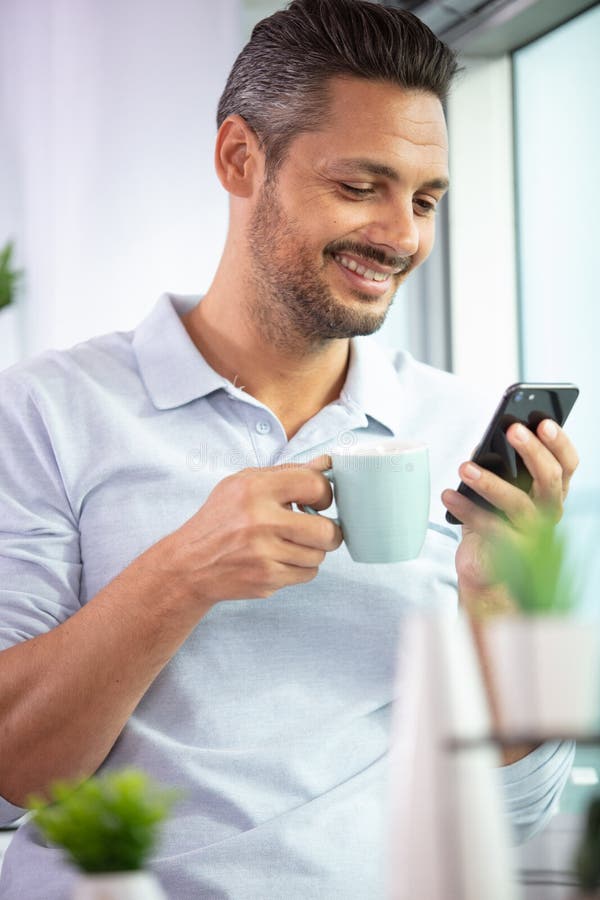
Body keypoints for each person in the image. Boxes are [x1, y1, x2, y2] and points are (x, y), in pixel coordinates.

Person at [0, 1, 578, 897]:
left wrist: (504, 610)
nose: (403, 236)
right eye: (360, 187)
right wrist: (184, 571)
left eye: (425, 200)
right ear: (240, 158)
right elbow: (10, 775)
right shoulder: (45, 410)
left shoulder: (464, 429)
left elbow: (511, 815)